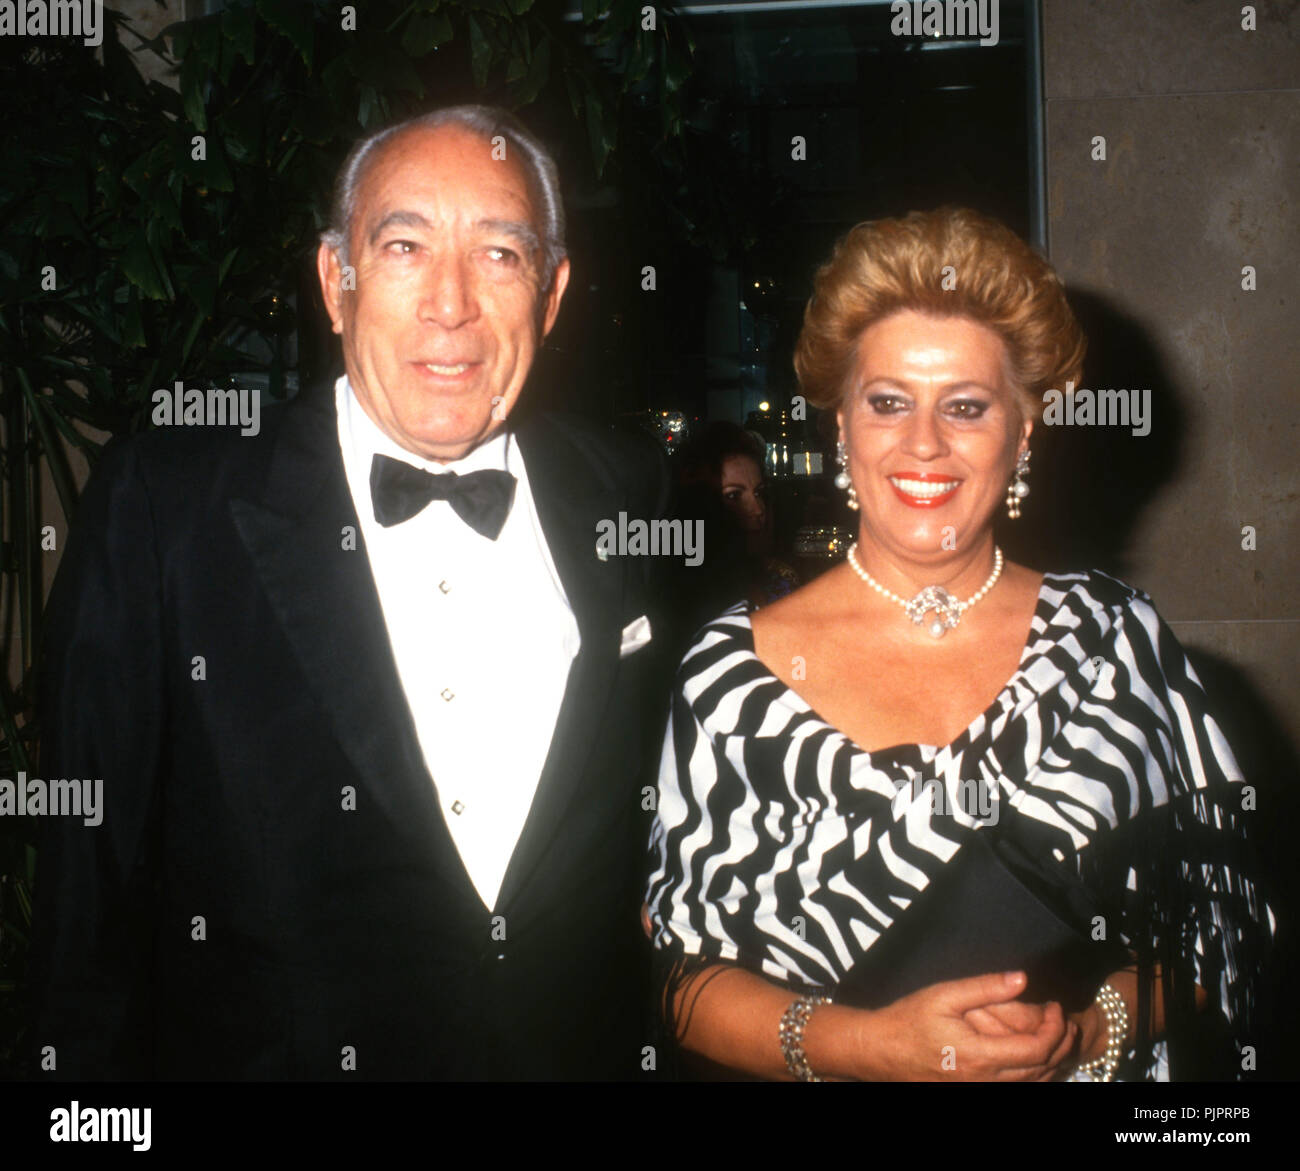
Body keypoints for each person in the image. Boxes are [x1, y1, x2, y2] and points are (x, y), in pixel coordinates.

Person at [30, 105, 671, 1080]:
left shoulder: (626, 493)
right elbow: (87, 907)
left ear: (551, 294)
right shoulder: (168, 506)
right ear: (338, 281)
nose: (450, 303)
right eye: (405, 244)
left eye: (499, 254)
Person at [645, 207, 1271, 1081]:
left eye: (967, 407)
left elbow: (1216, 922)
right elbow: (679, 979)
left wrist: (1087, 1033)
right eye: (889, 401)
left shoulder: (1117, 641)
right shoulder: (729, 674)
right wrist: (870, 1047)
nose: (924, 444)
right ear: (840, 427)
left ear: (1022, 433)